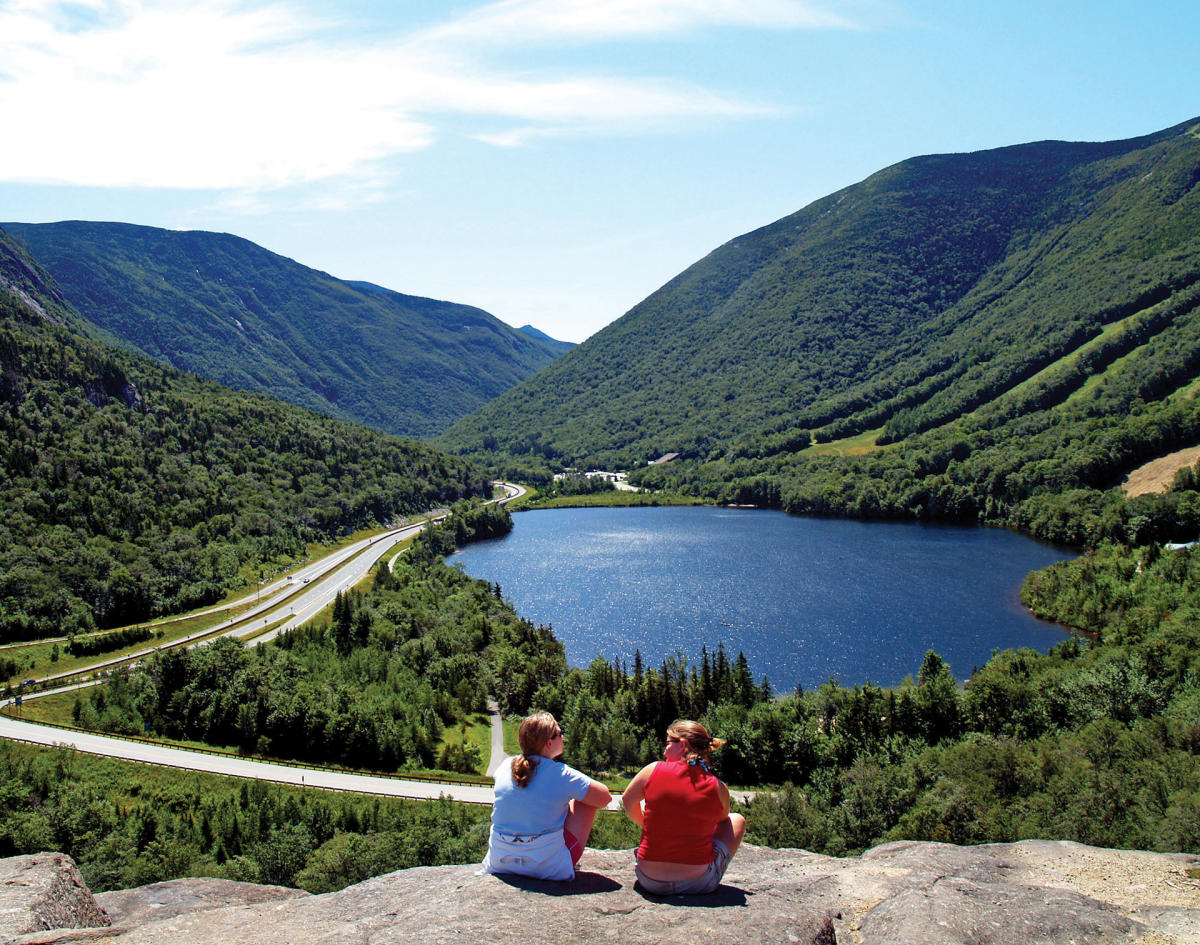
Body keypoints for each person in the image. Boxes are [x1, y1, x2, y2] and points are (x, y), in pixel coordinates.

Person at [481, 711, 612, 881]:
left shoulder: (505, 766)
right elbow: (604, 798)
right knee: (585, 801)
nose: (563, 737)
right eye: (559, 734)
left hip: (500, 861)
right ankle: (563, 861)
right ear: (549, 743)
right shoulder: (560, 774)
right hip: (547, 867)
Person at [621, 719, 746, 895]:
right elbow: (722, 820)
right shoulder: (717, 786)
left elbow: (628, 801)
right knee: (737, 819)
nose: (664, 751)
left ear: (683, 745)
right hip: (698, 883)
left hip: (649, 880)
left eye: (668, 743)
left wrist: (646, 824)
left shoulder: (652, 770)